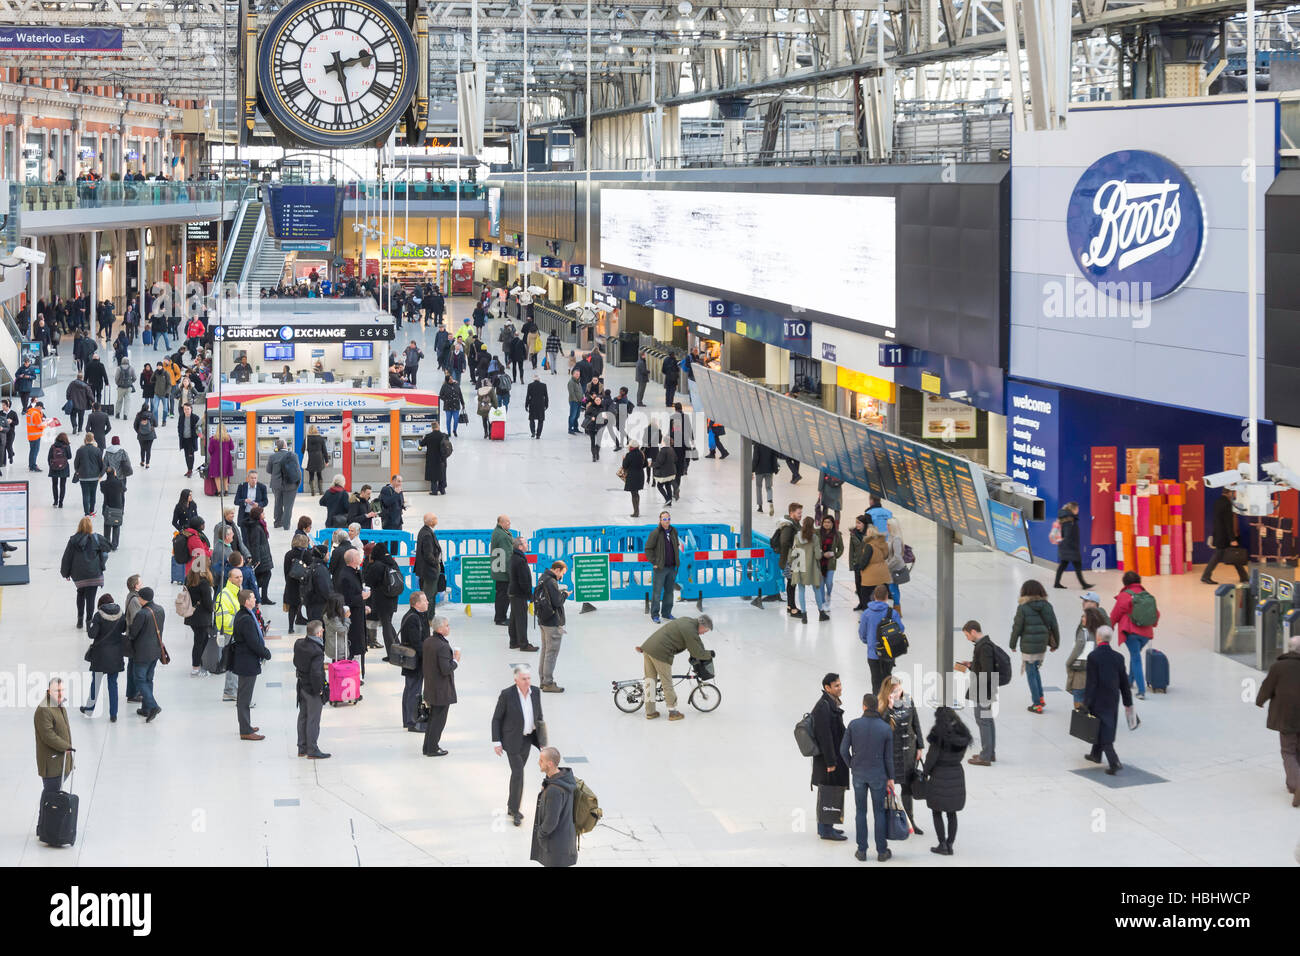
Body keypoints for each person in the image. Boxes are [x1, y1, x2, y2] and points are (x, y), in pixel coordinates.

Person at [839, 691, 896, 862]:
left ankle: (862, 850)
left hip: (859, 774)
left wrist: (852, 765)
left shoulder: (854, 725)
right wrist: (891, 778)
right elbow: (889, 757)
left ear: (863, 706)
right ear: (876, 706)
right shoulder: (885, 728)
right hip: (879, 775)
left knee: (860, 812)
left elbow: (843, 750)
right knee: (879, 812)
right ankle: (881, 851)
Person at [492, 665, 545, 824]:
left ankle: (511, 805)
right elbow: (497, 719)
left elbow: (539, 716)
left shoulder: (535, 692)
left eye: (529, 678)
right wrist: (497, 741)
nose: (527, 681)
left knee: (518, 773)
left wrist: (542, 742)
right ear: (516, 680)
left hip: (527, 740)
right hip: (512, 740)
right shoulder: (507, 695)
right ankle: (515, 810)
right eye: (524, 679)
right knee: (518, 773)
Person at [636, 614, 714, 721]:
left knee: (650, 681)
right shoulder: (690, 630)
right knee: (667, 682)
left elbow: (697, 643)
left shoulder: (688, 621)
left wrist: (702, 651)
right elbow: (696, 652)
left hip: (648, 648)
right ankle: (673, 712)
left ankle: (650, 712)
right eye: (706, 630)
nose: (704, 633)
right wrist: (710, 654)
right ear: (702, 625)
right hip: (661, 653)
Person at [1254, 634, 1300, 807]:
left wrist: (1259, 701)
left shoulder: (1278, 667)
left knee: (1288, 750)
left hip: (1286, 716)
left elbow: (1267, 687)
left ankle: (1296, 784)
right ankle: (1292, 784)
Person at [1083, 626, 1134, 775]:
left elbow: (1091, 683)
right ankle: (1095, 754)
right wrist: (1128, 702)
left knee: (1103, 729)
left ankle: (1114, 761)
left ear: (1098, 638)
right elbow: (1124, 682)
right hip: (1112, 698)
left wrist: (1086, 703)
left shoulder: (1093, 657)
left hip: (1098, 698)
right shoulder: (1118, 657)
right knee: (1103, 725)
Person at [922, 706, 972, 855]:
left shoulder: (938, 737)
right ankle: (950, 844)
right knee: (952, 813)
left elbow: (931, 759)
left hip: (939, 775)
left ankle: (942, 844)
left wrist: (925, 773)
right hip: (956, 774)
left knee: (936, 811)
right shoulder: (962, 735)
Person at [879, 675, 925, 836]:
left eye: (899, 689)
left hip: (908, 752)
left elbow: (915, 723)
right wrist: (889, 709)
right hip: (892, 754)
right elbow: (880, 728)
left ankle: (910, 821)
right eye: (894, 690)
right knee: (887, 789)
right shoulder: (883, 706)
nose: (898, 693)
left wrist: (920, 745)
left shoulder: (907, 699)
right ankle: (887, 822)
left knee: (907, 789)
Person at [1010, 579, 1060, 713]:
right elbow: (1054, 625)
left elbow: (1017, 628)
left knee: (1030, 672)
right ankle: (1041, 697)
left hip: (1028, 646)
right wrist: (1056, 644)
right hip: (1041, 645)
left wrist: (1012, 644)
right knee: (1035, 669)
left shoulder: (1023, 607)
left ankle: (1037, 703)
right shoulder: (1047, 606)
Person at [809, 673, 849, 842]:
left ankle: (826, 826)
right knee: (829, 791)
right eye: (836, 686)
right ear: (827, 688)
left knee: (829, 790)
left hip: (832, 757)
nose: (840, 688)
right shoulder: (823, 707)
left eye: (840, 684)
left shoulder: (829, 703)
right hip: (828, 759)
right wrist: (831, 762)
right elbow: (825, 737)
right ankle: (826, 830)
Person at [1109, 571, 1159, 701]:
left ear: (1125, 583)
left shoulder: (1125, 595)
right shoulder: (1146, 595)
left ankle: (1141, 691)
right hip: (1146, 633)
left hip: (1131, 632)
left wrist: (1109, 627)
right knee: (1135, 655)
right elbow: (1156, 614)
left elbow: (1115, 614)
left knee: (1136, 658)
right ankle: (1130, 681)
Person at [231, 588, 272, 740]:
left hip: (244, 659)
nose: (255, 600)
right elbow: (253, 642)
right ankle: (245, 730)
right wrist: (265, 653)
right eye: (253, 598)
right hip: (247, 661)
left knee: (244, 696)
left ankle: (246, 725)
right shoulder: (247, 619)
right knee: (244, 698)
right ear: (247, 601)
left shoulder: (244, 614)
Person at [955, 620, 997, 766]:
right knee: (988, 720)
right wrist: (971, 665)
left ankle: (985, 756)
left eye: (967, 635)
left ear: (973, 631)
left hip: (983, 690)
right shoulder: (985, 644)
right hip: (986, 688)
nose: (967, 638)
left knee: (983, 721)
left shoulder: (983, 647)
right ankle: (990, 753)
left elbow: (987, 671)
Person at [529, 747, 579, 867]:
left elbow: (551, 821)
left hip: (556, 847)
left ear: (550, 764)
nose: (538, 763)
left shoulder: (554, 790)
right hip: (565, 841)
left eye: (541, 760)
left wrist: (540, 834)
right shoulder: (564, 778)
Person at [81, 594, 126, 722]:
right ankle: (113, 714)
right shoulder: (120, 613)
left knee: (95, 683)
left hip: (100, 655)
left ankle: (89, 709)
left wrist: (90, 624)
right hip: (116, 654)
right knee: (113, 684)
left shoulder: (98, 615)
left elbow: (92, 634)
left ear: (100, 604)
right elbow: (124, 629)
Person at [61, 516, 110, 629]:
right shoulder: (97, 538)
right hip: (94, 575)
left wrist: (66, 573)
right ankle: (89, 622)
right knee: (91, 598)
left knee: (80, 593)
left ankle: (79, 619)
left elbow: (67, 557)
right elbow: (108, 547)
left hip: (79, 576)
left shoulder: (73, 540)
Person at [421, 615, 459, 756]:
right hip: (441, 690)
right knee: (439, 720)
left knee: (433, 718)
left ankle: (428, 747)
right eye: (447, 625)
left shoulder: (429, 641)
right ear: (440, 628)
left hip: (431, 686)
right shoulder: (442, 646)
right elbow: (446, 669)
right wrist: (456, 661)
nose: (449, 628)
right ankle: (432, 748)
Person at [127, 586, 165, 722]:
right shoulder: (160, 609)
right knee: (149, 679)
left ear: (142, 599)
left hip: (142, 653)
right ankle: (146, 709)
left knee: (139, 679)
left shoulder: (142, 614)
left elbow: (133, 633)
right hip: (156, 651)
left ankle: (153, 705)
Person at [293, 620, 330, 759]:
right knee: (313, 719)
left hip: (301, 686)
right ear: (319, 633)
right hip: (312, 689)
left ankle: (301, 748)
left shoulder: (299, 644)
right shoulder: (317, 651)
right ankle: (312, 749)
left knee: (303, 716)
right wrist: (319, 689)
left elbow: (296, 662)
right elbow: (316, 673)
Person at [1066, 595, 1109, 710]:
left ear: (1093, 603)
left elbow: (1078, 648)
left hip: (1082, 668)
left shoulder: (1087, 628)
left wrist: (1068, 663)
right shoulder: (1099, 625)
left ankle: (1082, 721)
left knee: (1079, 696)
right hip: (1095, 668)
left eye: (1085, 601)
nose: (1083, 603)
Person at [335, 547, 371, 679]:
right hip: (352, 618)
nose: (360, 557)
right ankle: (352, 674)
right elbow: (347, 599)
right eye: (358, 555)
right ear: (353, 560)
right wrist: (362, 598)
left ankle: (357, 673)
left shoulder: (355, 572)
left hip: (358, 614)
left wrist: (363, 605)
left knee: (358, 644)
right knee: (354, 645)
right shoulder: (345, 576)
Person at [859, 585, 902, 694]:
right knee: (887, 679)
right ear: (887, 596)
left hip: (873, 654)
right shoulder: (892, 613)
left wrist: (869, 642)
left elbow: (862, 633)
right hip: (889, 653)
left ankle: (877, 705)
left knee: (876, 681)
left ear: (874, 596)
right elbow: (900, 629)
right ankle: (888, 703)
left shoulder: (866, 613)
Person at [364, 541, 402, 660]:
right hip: (392, 597)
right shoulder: (392, 562)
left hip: (382, 599)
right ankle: (399, 649)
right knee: (388, 623)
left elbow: (368, 580)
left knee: (386, 626)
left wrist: (369, 564)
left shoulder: (377, 565)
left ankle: (392, 654)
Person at [35, 678, 74, 795]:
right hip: (52, 764)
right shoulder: (44, 710)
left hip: (61, 760)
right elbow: (48, 735)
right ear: (48, 691)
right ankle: (43, 814)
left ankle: (47, 813)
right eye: (57, 691)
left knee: (53, 794)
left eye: (62, 690)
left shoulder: (59, 705)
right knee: (50, 795)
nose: (60, 693)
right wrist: (66, 746)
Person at [1203, 489, 1249, 584]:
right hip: (1226, 536)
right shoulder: (1227, 504)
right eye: (1235, 492)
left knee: (1234, 555)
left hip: (1220, 534)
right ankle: (1205, 576)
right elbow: (1228, 523)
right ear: (1230, 493)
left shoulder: (1218, 501)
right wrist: (1232, 538)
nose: (1236, 494)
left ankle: (1244, 577)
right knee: (1222, 556)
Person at [399, 592, 430, 731]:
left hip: (413, 661)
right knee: (414, 691)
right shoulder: (413, 618)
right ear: (417, 604)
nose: (428, 602)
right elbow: (416, 643)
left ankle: (408, 720)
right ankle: (412, 722)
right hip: (415, 662)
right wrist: (428, 656)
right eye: (424, 600)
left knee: (410, 689)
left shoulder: (418, 615)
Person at [645, 510, 682, 624]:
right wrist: (654, 562)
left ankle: (666, 612)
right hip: (660, 568)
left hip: (671, 568)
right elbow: (648, 548)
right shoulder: (656, 533)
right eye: (664, 519)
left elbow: (676, 545)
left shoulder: (673, 531)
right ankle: (655, 614)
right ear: (660, 520)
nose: (666, 521)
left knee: (669, 592)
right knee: (657, 593)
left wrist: (676, 561)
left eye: (668, 519)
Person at [788, 516, 824, 624]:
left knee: (801, 591)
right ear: (812, 525)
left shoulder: (797, 537)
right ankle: (821, 613)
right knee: (816, 590)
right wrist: (821, 552)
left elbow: (793, 553)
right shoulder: (815, 538)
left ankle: (804, 615)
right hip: (812, 568)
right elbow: (818, 556)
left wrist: (791, 566)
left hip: (800, 567)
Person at [1053, 502, 1094, 589]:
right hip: (1070, 547)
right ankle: (1084, 584)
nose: (1078, 510)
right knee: (1077, 565)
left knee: (1063, 565)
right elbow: (1068, 535)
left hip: (1065, 546)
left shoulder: (1066, 518)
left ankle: (1057, 583)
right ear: (1073, 509)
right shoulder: (1069, 520)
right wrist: (1072, 546)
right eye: (1077, 509)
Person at [507, 537, 538, 652]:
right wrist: (529, 594)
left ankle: (514, 641)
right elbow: (524, 580)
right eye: (525, 543)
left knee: (514, 618)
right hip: (519, 593)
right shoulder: (520, 560)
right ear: (520, 546)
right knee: (521, 620)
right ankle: (524, 644)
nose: (527, 544)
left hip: (513, 592)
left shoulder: (514, 557)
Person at [184, 563, 215, 677]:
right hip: (202, 617)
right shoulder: (204, 584)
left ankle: (198, 664)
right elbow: (208, 603)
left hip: (192, 615)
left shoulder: (189, 580)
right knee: (199, 641)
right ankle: (196, 668)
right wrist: (213, 609)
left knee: (201, 639)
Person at [240, 504, 274, 604]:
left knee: (262, 576)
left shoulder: (260, 525)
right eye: (262, 513)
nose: (264, 514)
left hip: (263, 554)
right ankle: (259, 596)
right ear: (258, 515)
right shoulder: (256, 528)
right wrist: (257, 559)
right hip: (261, 557)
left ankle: (259, 596)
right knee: (266, 575)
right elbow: (255, 545)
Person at [268, 439, 303, 531]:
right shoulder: (293, 455)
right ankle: (286, 525)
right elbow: (297, 471)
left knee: (277, 503)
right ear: (285, 446)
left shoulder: (272, 456)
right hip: (290, 485)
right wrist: (298, 483)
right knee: (288, 506)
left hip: (277, 485)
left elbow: (268, 470)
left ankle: (277, 523)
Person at [414, 512, 443, 609]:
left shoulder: (425, 531)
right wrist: (436, 563)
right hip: (429, 570)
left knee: (427, 594)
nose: (437, 520)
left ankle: (428, 616)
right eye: (435, 518)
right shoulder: (427, 534)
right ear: (431, 522)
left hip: (425, 569)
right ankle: (428, 618)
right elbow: (428, 554)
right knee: (429, 596)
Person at [490, 515, 513, 627]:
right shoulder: (503, 536)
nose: (509, 524)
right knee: (503, 596)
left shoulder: (498, 532)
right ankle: (501, 618)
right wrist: (511, 572)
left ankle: (499, 617)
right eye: (507, 522)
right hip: (503, 571)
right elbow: (507, 555)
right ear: (501, 523)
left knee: (500, 595)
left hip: (499, 569)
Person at [419, 421, 452, 495]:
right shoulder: (444, 436)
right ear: (438, 426)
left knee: (433, 475)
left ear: (432, 428)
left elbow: (421, 444)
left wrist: (422, 439)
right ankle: (442, 490)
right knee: (442, 473)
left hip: (432, 458)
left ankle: (434, 491)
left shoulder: (428, 436)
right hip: (442, 458)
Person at [46, 431, 72, 507]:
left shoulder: (53, 446)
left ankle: (55, 501)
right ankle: (61, 502)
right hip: (64, 468)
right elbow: (70, 457)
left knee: (54, 485)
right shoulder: (66, 446)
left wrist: (51, 466)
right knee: (62, 485)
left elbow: (49, 458)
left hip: (54, 468)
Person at [621, 440, 646, 517]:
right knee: (636, 493)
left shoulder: (629, 455)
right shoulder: (641, 454)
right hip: (640, 475)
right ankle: (637, 510)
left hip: (632, 476)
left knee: (633, 494)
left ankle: (636, 512)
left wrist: (624, 459)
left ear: (631, 447)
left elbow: (624, 466)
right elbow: (645, 464)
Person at [176, 402, 200, 477]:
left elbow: (199, 429)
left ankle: (190, 470)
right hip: (184, 439)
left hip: (191, 440)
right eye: (185, 409)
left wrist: (196, 436)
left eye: (188, 409)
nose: (186, 410)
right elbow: (179, 426)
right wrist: (179, 434)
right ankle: (189, 469)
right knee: (186, 455)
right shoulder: (181, 417)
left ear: (191, 409)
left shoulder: (195, 418)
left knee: (190, 455)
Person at [302, 425, 329, 495]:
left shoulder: (307, 439)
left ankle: (313, 491)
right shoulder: (321, 438)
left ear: (309, 431)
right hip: (319, 458)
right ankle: (320, 491)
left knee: (311, 475)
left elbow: (302, 450)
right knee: (319, 474)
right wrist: (326, 460)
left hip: (310, 459)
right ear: (316, 430)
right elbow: (324, 450)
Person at [207, 424, 234, 494]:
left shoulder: (213, 439)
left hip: (216, 459)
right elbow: (232, 447)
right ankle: (226, 491)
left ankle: (219, 492)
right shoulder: (228, 438)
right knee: (225, 475)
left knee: (217, 475)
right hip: (226, 459)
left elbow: (210, 450)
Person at [133, 404, 158, 469]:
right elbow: (156, 424)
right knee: (148, 449)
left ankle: (142, 461)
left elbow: (135, 425)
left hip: (141, 436)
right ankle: (147, 464)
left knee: (142, 449)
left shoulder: (138, 415)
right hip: (150, 435)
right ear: (148, 408)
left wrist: (139, 432)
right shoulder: (151, 414)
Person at [26, 400, 48, 472]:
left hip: (31, 435)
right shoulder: (35, 414)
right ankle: (33, 466)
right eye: (41, 408)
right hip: (36, 436)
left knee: (32, 451)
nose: (41, 409)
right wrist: (46, 424)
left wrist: (40, 414)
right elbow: (40, 426)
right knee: (35, 452)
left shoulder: (30, 412)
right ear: (38, 407)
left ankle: (31, 465)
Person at [525, 373, 548, 439]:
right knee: (541, 420)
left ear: (533, 379)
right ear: (539, 379)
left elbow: (528, 396)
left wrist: (526, 405)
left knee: (531, 419)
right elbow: (546, 396)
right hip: (541, 405)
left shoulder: (530, 385)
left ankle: (533, 432)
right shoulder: (543, 385)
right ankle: (538, 434)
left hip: (532, 404)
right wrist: (546, 405)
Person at [566, 369, 583, 435]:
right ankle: (570, 429)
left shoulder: (578, 381)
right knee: (572, 416)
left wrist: (582, 398)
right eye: (576, 374)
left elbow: (580, 391)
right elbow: (571, 393)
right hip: (574, 401)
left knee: (577, 415)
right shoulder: (571, 382)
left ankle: (576, 428)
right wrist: (576, 400)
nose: (577, 375)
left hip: (579, 401)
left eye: (578, 374)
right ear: (573, 374)